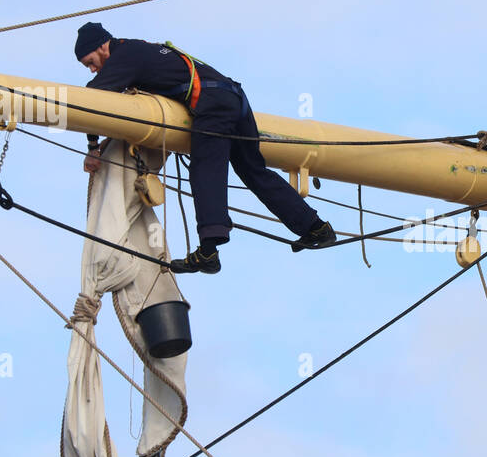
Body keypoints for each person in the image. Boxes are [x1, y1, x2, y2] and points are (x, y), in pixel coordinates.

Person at [74, 21, 334, 274]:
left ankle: (208, 252)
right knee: (254, 172)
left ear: (100, 47)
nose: (92, 70)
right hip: (233, 97)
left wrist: (93, 147)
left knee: (205, 169)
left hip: (212, 102)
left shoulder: (124, 54)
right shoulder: (139, 48)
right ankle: (315, 227)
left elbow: (93, 99)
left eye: (90, 63)